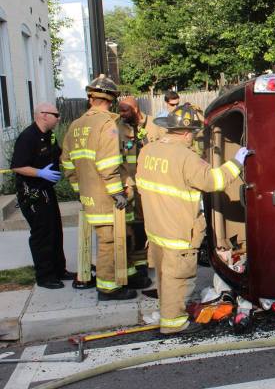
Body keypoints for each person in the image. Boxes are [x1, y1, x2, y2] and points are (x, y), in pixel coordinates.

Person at [136, 103, 249, 335]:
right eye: (193, 135)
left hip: (156, 230)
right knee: (178, 280)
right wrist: (237, 162)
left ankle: (166, 313)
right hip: (179, 232)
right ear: (187, 134)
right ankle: (174, 323)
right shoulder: (186, 157)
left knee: (165, 278)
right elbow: (214, 181)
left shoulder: (148, 151)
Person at [61, 75, 136, 300]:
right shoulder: (106, 124)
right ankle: (108, 288)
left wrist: (79, 189)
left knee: (120, 236)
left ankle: (126, 274)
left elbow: (67, 163)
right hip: (106, 196)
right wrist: (117, 193)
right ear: (112, 100)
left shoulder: (75, 126)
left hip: (89, 195)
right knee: (109, 241)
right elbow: (107, 164)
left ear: (90, 98)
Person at [10, 103, 75, 289]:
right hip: (32, 193)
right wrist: (40, 173)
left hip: (47, 190)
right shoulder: (28, 137)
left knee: (55, 231)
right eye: (56, 115)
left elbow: (59, 154)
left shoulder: (50, 136)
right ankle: (45, 277)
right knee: (42, 235)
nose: (59, 118)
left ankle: (59, 270)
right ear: (44, 115)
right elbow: (17, 166)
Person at [117, 97, 162, 289]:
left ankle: (148, 261)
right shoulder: (117, 128)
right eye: (119, 110)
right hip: (129, 186)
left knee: (149, 224)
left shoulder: (155, 126)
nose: (121, 114)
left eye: (125, 110)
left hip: (150, 186)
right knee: (132, 227)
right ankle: (137, 265)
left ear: (135, 109)